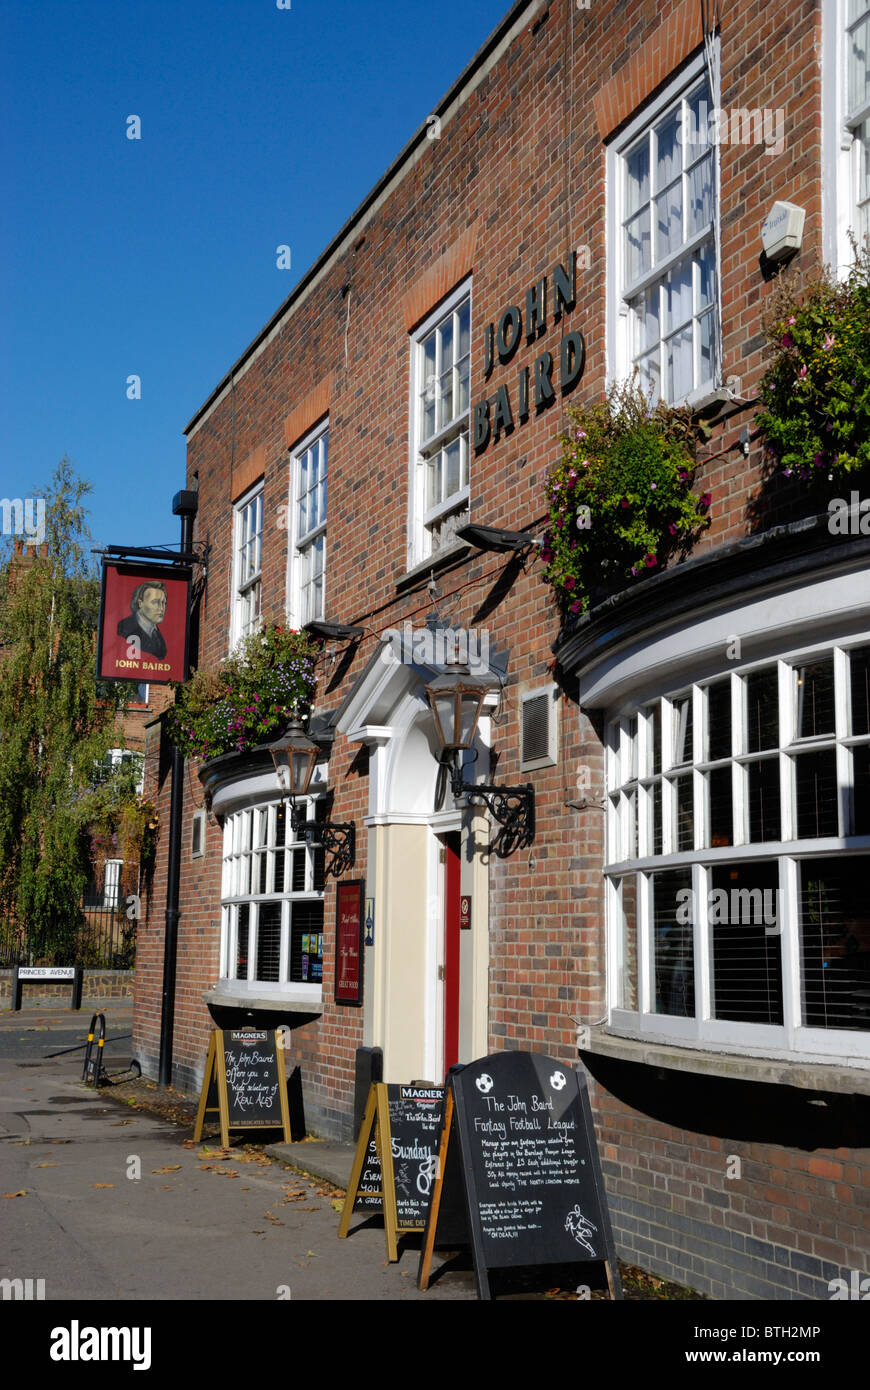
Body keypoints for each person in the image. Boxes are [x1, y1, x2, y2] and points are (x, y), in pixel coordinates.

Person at [117, 581, 168, 659]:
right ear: (140, 603)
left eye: (164, 603)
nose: (161, 608)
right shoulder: (124, 627)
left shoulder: (158, 634)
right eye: (155, 602)